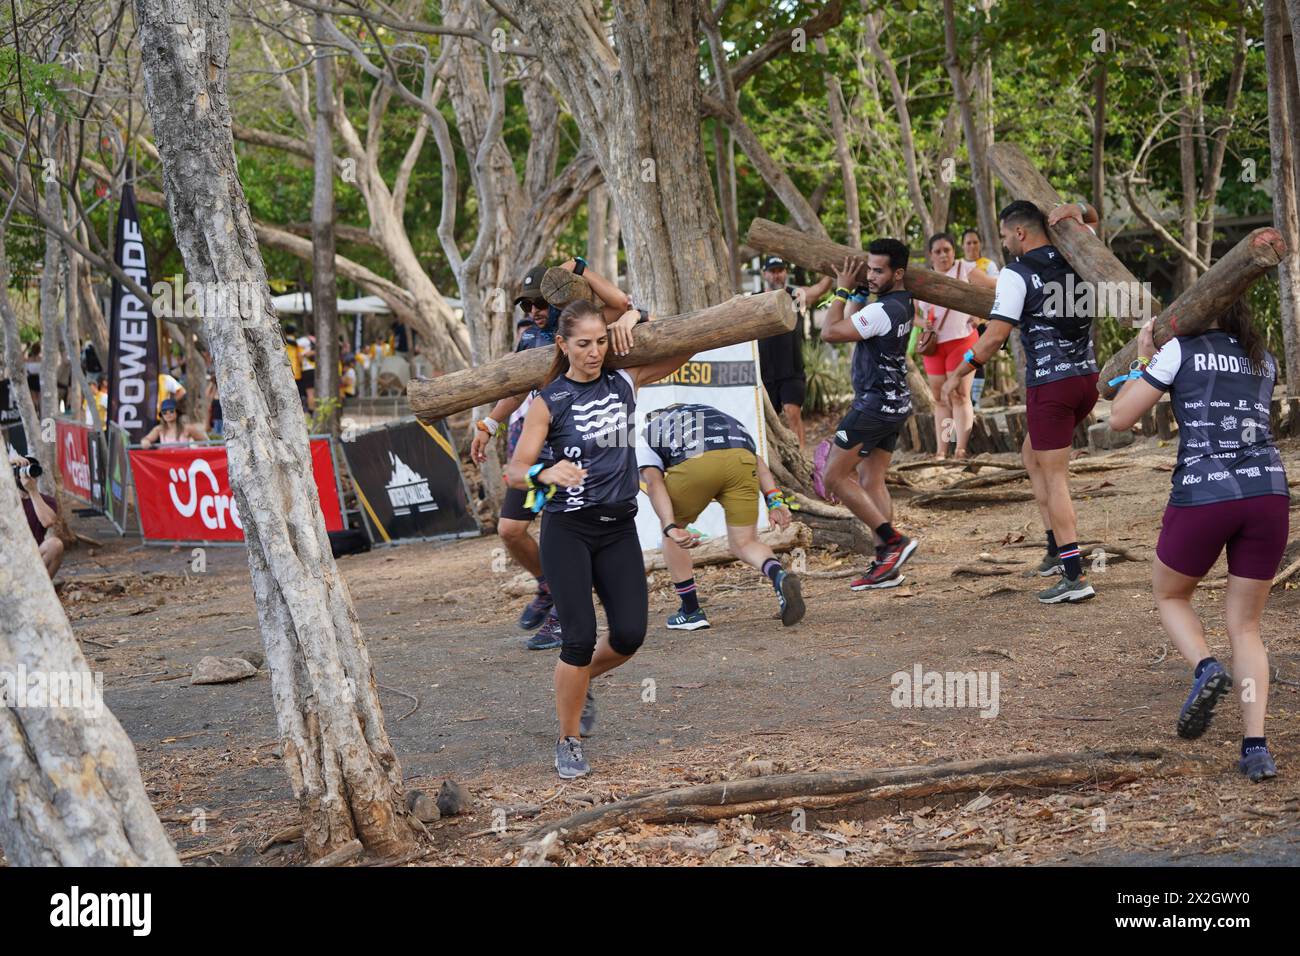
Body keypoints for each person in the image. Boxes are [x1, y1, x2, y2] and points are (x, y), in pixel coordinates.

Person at [506, 299, 688, 780]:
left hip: (618, 528)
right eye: (583, 343)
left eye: (601, 342)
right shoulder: (549, 400)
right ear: (562, 345)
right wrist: (548, 469)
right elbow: (516, 470)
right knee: (580, 638)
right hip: (568, 530)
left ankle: (580, 685)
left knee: (630, 635)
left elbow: (683, 350)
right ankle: (568, 740)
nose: (593, 352)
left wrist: (635, 316)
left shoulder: (624, 381)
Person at [1108, 303, 1288, 781]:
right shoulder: (1262, 358)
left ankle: (1206, 668)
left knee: (1170, 594)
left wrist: (1145, 358)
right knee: (1246, 627)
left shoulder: (1180, 351)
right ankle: (1256, 748)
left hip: (1205, 493)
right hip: (1268, 491)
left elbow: (1119, 417)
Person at [471, 258, 643, 650]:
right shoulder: (531, 339)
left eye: (539, 304)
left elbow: (622, 303)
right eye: (526, 307)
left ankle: (564, 617)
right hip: (540, 455)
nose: (533, 313)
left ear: (559, 302)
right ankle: (549, 587)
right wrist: (489, 425)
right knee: (510, 530)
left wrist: (580, 267)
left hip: (580, 456)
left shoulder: (587, 328)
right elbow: (516, 389)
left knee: (566, 531)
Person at [942, 200, 1100, 604]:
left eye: (1007, 234)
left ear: (1020, 233)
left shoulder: (1017, 274)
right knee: (1033, 458)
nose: (1006, 243)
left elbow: (994, 336)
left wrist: (959, 371)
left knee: (1055, 477)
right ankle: (1054, 549)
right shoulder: (1078, 252)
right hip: (1086, 379)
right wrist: (1078, 207)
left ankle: (1074, 576)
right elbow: (1094, 217)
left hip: (1051, 386)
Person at [637, 402, 805, 630]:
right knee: (745, 543)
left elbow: (655, 483)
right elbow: (757, 461)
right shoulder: (715, 416)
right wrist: (775, 500)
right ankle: (778, 576)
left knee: (673, 535)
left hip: (697, 464)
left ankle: (691, 611)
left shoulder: (650, 430)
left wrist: (669, 525)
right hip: (742, 460)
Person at [818, 241, 920, 591]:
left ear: (899, 273)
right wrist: (861, 291)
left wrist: (842, 290)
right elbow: (854, 323)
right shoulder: (903, 304)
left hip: (873, 406)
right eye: (869, 269)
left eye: (879, 270)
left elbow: (831, 332)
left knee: (833, 477)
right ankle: (886, 565)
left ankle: (893, 541)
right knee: (871, 481)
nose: (872, 275)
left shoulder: (883, 311)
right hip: (895, 404)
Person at [914, 232, 985, 459]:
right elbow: (910, 313)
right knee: (939, 398)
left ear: (954, 251)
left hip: (962, 340)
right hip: (934, 345)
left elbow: (993, 289)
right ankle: (941, 451)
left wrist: (981, 317)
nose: (943, 255)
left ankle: (961, 450)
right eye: (938, 251)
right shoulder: (922, 279)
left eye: (947, 250)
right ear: (930, 255)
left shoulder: (964, 269)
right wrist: (920, 322)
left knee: (959, 394)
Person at [755, 257, 831, 450]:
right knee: (765, 422)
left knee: (792, 412)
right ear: (764, 274)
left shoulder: (795, 296)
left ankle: (802, 455)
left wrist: (833, 267)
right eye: (772, 271)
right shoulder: (754, 300)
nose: (776, 274)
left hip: (791, 371)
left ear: (785, 272)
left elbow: (820, 288)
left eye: (780, 270)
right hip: (763, 374)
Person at [960, 229, 1001, 407]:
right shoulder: (957, 265)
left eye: (975, 242)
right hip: (959, 322)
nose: (972, 246)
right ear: (962, 245)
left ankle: (974, 401)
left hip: (982, 321)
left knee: (976, 359)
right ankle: (962, 398)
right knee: (960, 359)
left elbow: (997, 288)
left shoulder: (988, 265)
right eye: (968, 242)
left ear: (980, 244)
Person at [11, 448, 63, 577]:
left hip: (32, 560)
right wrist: (6, 464)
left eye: (31, 470)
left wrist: (32, 491)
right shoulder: (5, 500)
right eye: (23, 469)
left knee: (55, 545)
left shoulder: (46, 501)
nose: (27, 475)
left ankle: (40, 592)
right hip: (7, 561)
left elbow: (48, 521)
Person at [139, 398, 207, 447]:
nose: (168, 414)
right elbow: (146, 439)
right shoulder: (159, 429)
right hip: (167, 464)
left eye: (171, 411)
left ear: (177, 412)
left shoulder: (187, 428)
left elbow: (203, 441)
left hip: (184, 463)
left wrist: (197, 454)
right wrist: (145, 441)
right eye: (164, 412)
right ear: (162, 415)